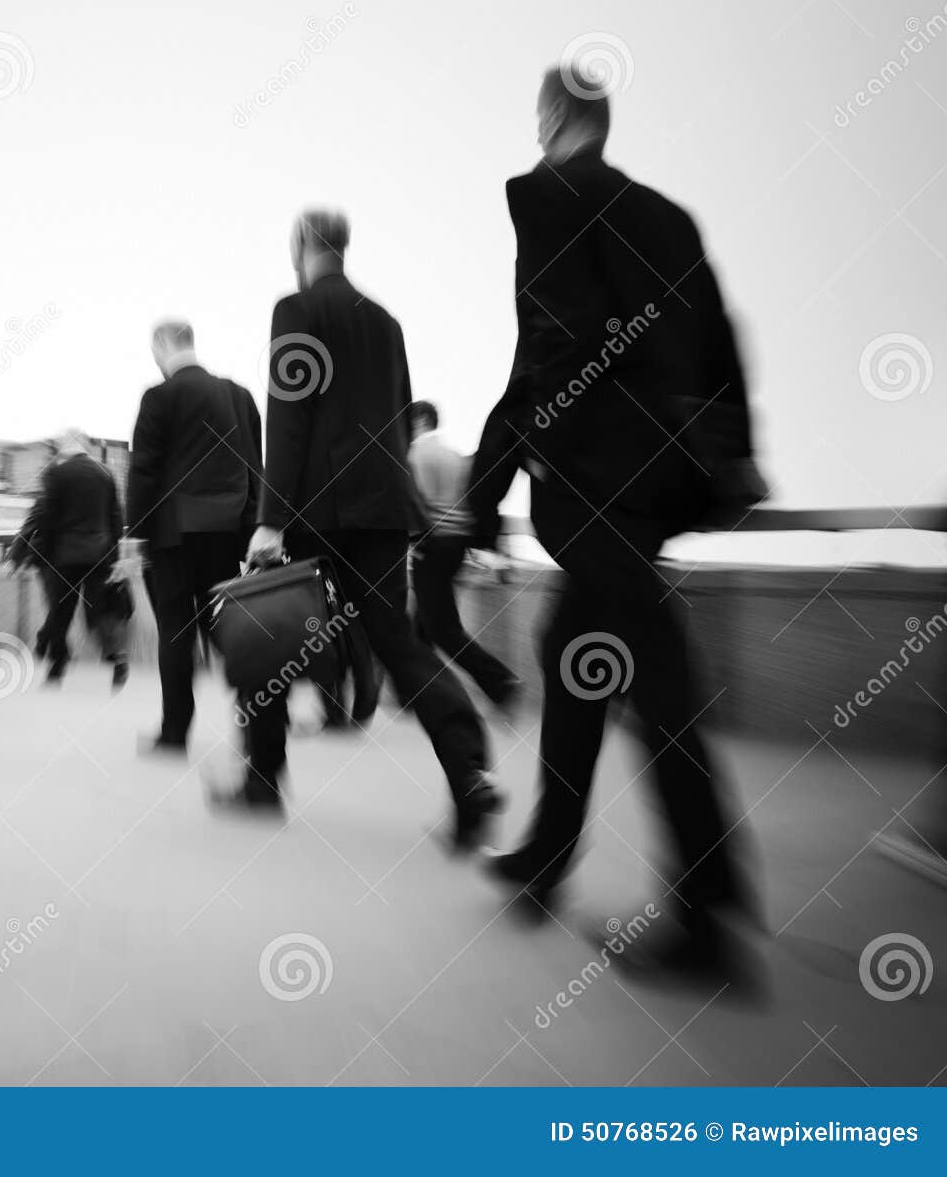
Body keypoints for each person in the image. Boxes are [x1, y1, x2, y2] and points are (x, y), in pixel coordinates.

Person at [467, 64, 758, 980]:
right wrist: (731, 458)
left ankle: (709, 917)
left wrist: (490, 479)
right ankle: (547, 855)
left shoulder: (551, 195)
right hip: (661, 477)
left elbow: (552, 342)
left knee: (658, 681)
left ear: (551, 117)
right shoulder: (668, 217)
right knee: (575, 655)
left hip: (595, 477)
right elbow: (721, 336)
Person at [229, 210, 499, 842]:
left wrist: (271, 521)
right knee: (399, 644)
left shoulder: (295, 310)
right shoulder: (387, 322)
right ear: (343, 248)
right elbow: (400, 416)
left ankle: (261, 784)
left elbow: (288, 415)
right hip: (382, 510)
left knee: (266, 637)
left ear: (300, 245)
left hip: (316, 510)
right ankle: (469, 776)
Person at [123, 320, 261, 753]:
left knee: (176, 632)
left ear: (161, 346)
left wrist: (133, 534)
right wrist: (254, 529)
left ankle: (174, 732)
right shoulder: (239, 395)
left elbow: (143, 470)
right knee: (228, 630)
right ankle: (263, 717)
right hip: (227, 532)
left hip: (175, 535)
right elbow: (256, 467)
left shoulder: (159, 396)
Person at [407, 400, 520, 706]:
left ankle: (500, 682)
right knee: (424, 623)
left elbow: (417, 507)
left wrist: (413, 542)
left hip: (433, 546)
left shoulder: (417, 454)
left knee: (443, 629)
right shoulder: (453, 456)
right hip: (456, 546)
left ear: (418, 420)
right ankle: (413, 693)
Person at [15, 429, 129, 689]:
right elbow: (116, 517)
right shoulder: (105, 473)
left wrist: (40, 553)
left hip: (64, 555)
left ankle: (57, 667)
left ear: (65, 448)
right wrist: (113, 553)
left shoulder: (57, 473)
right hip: (99, 555)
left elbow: (47, 517)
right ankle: (117, 658)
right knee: (98, 610)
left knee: (60, 611)